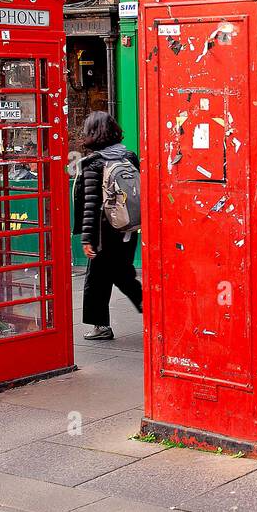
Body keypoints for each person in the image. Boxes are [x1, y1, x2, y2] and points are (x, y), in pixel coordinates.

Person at [72, 112, 143, 341]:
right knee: (123, 273)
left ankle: (101, 326)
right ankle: (152, 308)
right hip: (128, 229)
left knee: (96, 280)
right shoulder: (129, 156)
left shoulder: (92, 163)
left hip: (104, 234)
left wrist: (86, 239)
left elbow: (90, 205)